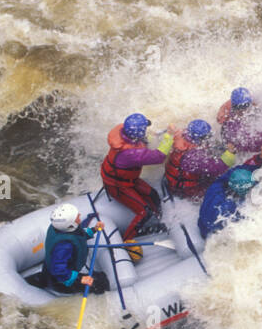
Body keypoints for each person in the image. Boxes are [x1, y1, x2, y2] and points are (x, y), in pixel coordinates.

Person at [100, 113, 166, 260]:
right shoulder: (130, 153)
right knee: (143, 212)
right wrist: (169, 139)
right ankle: (126, 240)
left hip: (129, 179)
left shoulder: (124, 132)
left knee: (153, 195)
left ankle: (161, 222)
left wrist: (156, 134)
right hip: (118, 185)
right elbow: (159, 157)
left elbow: (142, 142)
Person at [164, 118, 243, 201]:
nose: (209, 138)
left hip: (173, 176)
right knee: (220, 185)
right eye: (207, 136)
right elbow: (218, 168)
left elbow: (174, 130)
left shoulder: (180, 135)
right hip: (184, 189)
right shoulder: (193, 157)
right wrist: (230, 153)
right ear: (200, 139)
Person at [37, 204, 108, 294]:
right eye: (77, 217)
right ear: (71, 225)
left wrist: (94, 229)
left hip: (51, 268)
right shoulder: (64, 247)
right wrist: (81, 279)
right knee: (101, 285)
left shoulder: (58, 228)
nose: (80, 216)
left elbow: (78, 235)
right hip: (60, 280)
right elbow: (59, 271)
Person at [198, 151, 262, 239]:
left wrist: (259, 157)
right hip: (210, 234)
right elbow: (246, 224)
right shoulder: (231, 210)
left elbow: (238, 170)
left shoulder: (216, 187)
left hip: (203, 223)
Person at [221, 87, 262, 154]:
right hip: (251, 153)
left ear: (250, 103)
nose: (241, 110)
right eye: (238, 107)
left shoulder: (258, 108)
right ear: (233, 106)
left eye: (245, 106)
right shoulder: (228, 119)